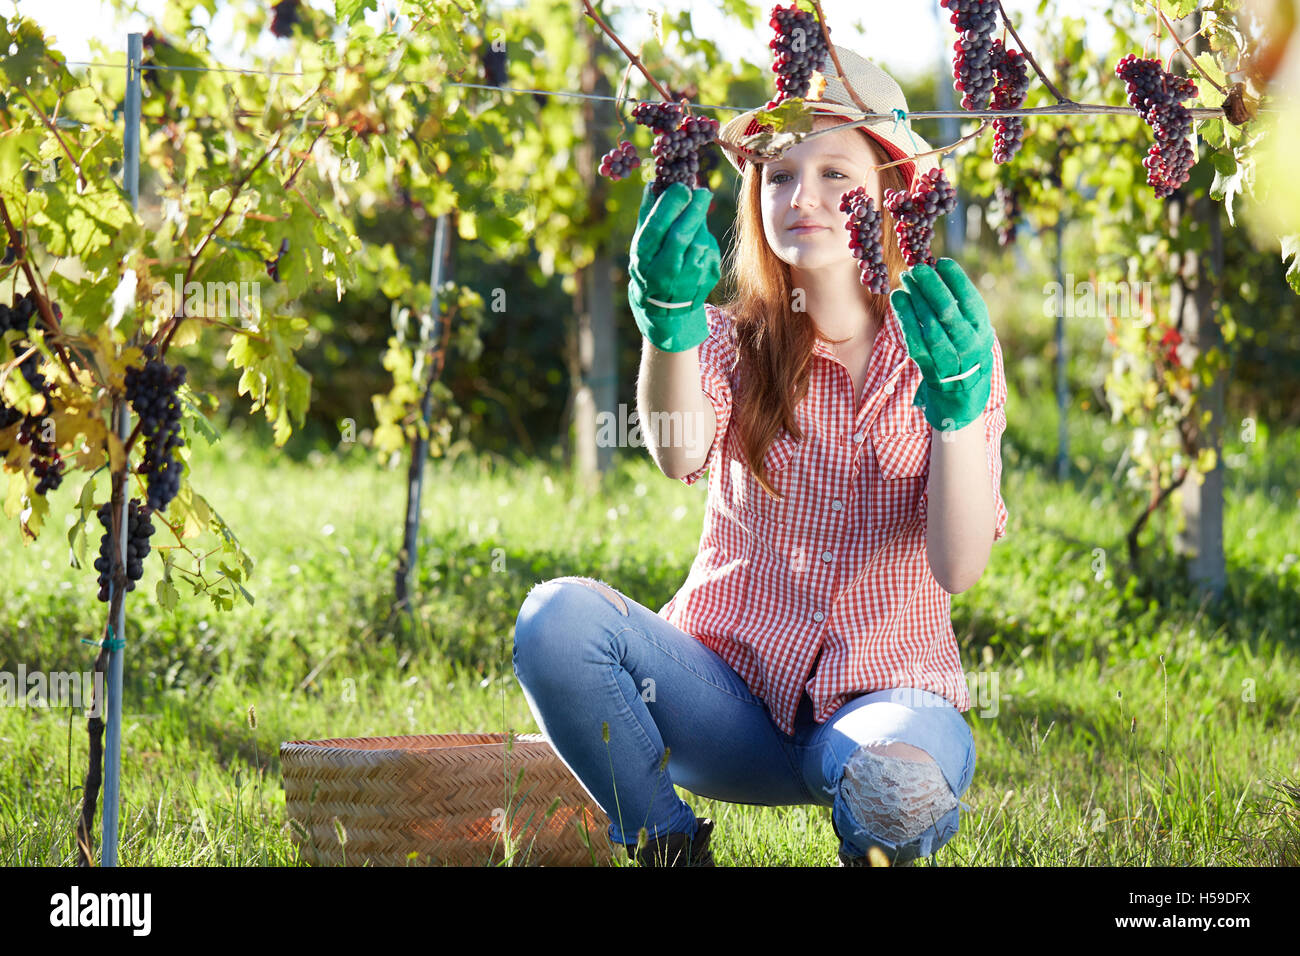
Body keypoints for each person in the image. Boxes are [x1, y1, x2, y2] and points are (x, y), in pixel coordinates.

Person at [512, 47, 1009, 867]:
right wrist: (666, 326)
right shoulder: (726, 339)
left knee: (899, 792)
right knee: (557, 619)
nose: (801, 197)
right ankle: (666, 846)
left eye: (834, 176)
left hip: (881, 704)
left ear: (890, 197)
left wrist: (956, 416)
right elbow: (677, 456)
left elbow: (959, 569)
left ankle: (872, 831)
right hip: (722, 707)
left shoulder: (949, 351)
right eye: (779, 176)